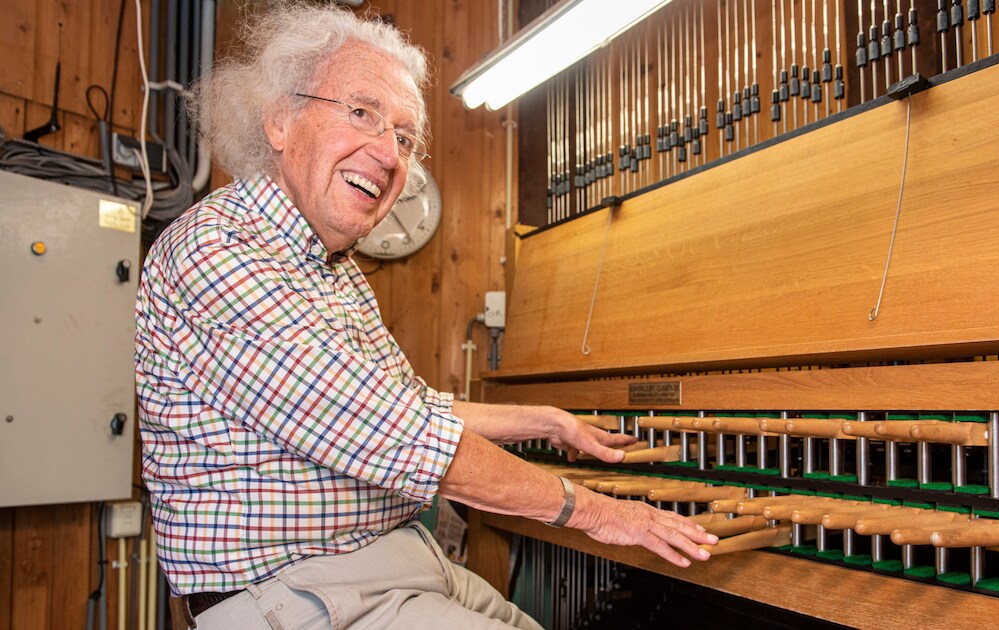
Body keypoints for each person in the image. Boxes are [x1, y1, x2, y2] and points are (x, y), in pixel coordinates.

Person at [133, 4, 716, 629]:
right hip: (295, 593)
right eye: (361, 113)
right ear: (281, 120)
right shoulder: (220, 249)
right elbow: (401, 437)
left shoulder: (332, 267)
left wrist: (548, 421)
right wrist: (603, 513)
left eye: (405, 138)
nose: (389, 155)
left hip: (399, 561)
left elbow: (411, 407)